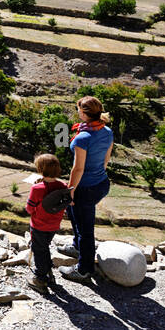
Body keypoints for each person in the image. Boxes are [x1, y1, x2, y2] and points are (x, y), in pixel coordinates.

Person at [61, 95, 114, 283]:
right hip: (101, 183)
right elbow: (106, 159)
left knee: (85, 229)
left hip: (85, 187)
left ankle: (84, 269)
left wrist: (70, 191)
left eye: (78, 109)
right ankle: (77, 247)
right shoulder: (106, 131)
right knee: (75, 214)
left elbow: (78, 168)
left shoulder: (82, 138)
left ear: (83, 113)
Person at [25, 153, 71, 291]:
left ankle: (40, 280)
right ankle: (49, 273)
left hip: (39, 225)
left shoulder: (36, 188)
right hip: (53, 226)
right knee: (44, 247)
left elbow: (29, 209)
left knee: (39, 250)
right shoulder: (63, 185)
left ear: (40, 169)